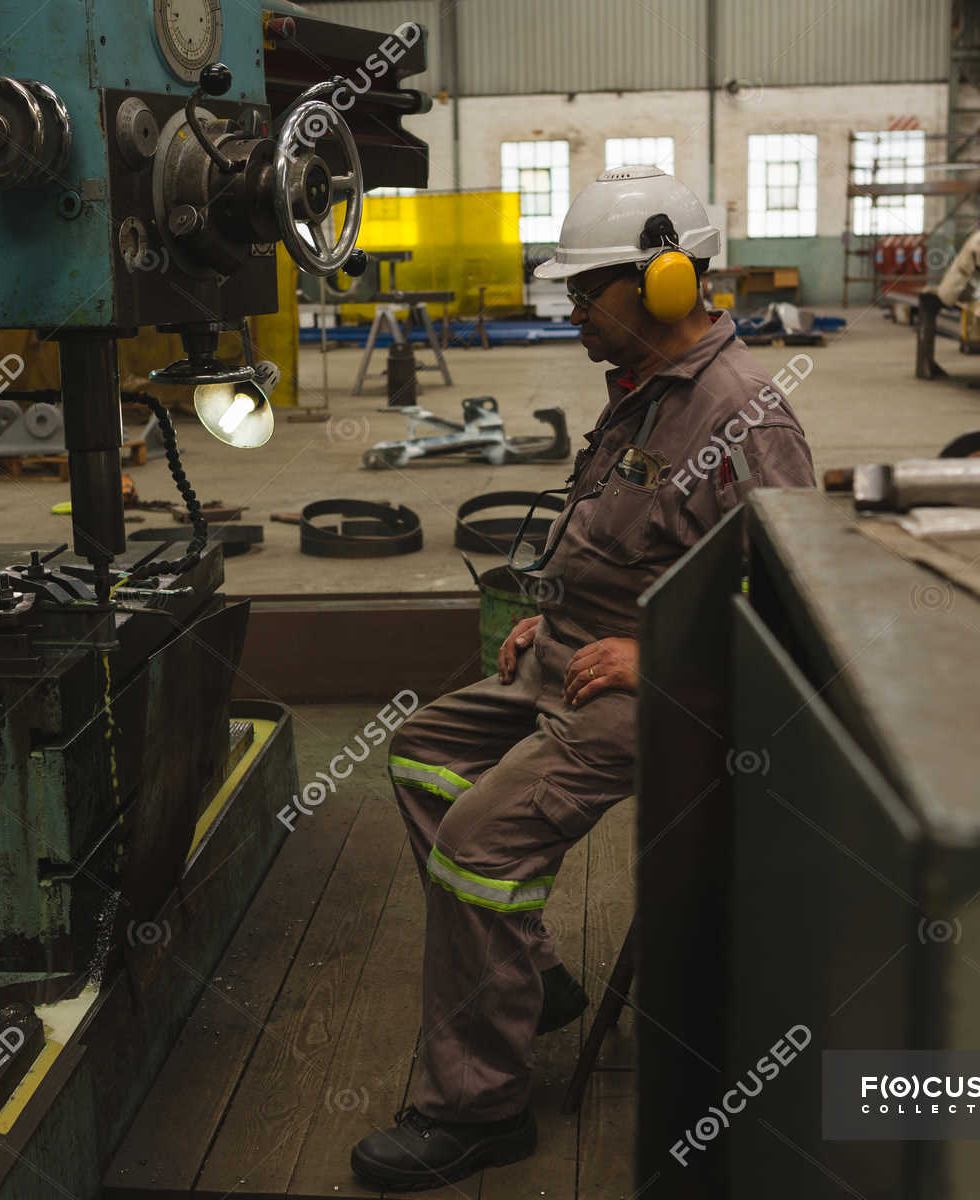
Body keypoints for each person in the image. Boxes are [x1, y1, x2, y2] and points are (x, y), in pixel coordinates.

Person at [349, 166, 816, 1191]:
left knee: (476, 846)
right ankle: (530, 974)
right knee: (422, 754)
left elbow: (796, 599)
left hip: (667, 693)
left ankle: (478, 1109)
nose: (570, 313)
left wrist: (658, 655)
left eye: (584, 291)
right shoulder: (645, 393)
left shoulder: (744, 418)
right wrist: (549, 617)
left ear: (662, 282)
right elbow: (620, 536)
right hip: (571, 657)